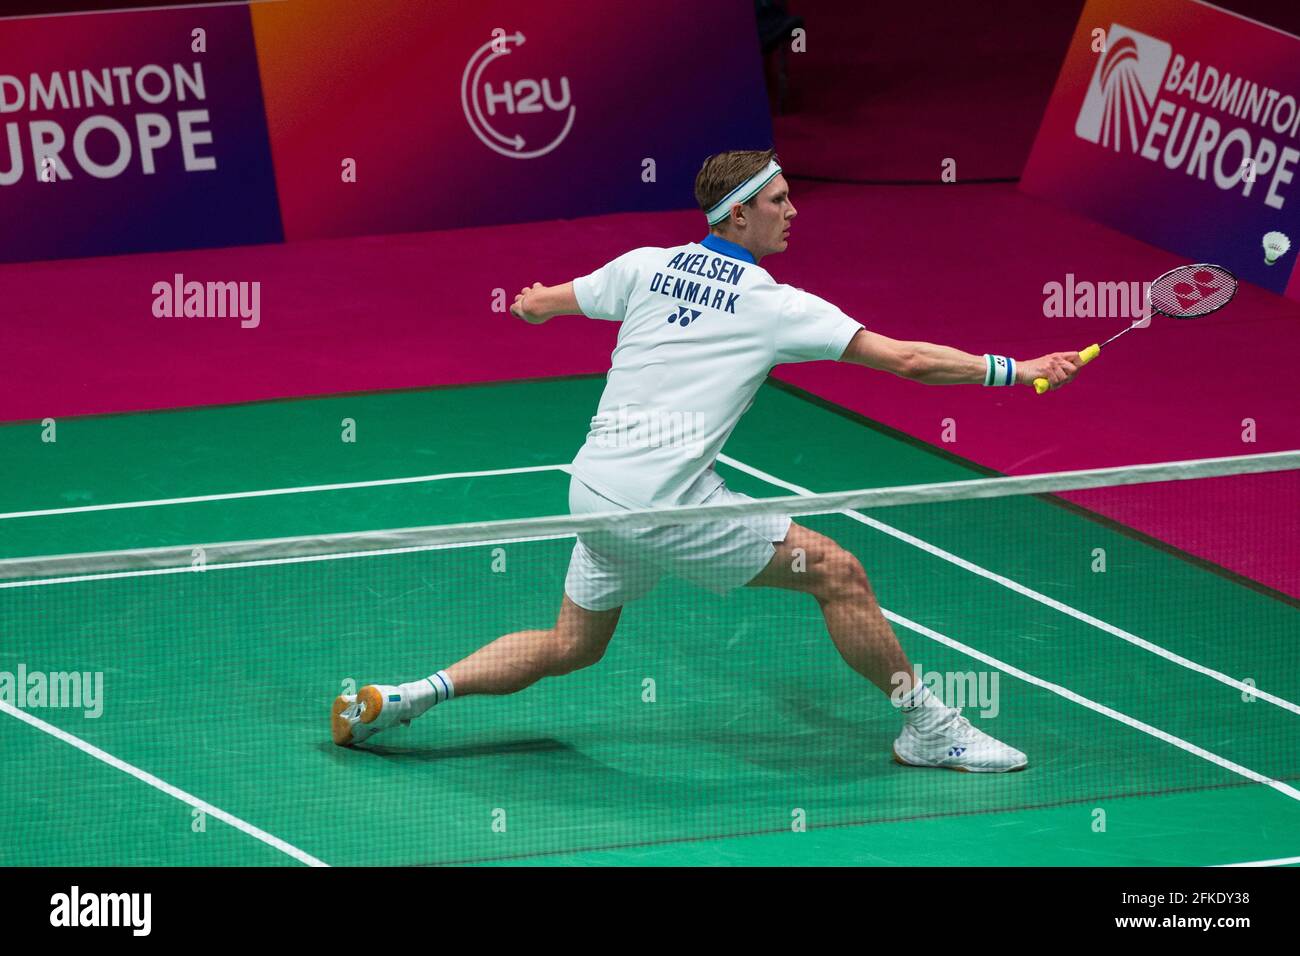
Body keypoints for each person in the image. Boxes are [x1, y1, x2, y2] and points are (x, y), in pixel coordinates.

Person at [331, 148, 1083, 771]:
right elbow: (911, 361)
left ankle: (409, 696)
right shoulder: (774, 304)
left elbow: (555, 299)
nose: (794, 212)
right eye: (780, 201)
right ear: (739, 213)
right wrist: (1018, 370)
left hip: (593, 490)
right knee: (838, 572)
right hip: (663, 503)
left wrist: (533, 303)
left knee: (571, 644)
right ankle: (932, 728)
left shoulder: (647, 266)